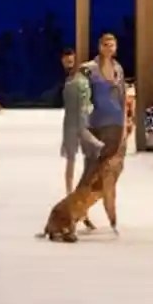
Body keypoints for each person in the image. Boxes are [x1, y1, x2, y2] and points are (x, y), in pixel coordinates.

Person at [77, 33, 128, 232]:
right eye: (105, 44)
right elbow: (80, 98)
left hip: (115, 126)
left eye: (112, 44)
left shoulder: (118, 69)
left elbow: (123, 98)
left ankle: (112, 216)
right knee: (90, 172)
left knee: (110, 173)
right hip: (95, 126)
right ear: (99, 46)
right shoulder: (89, 69)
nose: (109, 47)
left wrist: (125, 125)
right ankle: (78, 210)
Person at [59, 47, 102, 195]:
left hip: (83, 121)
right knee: (71, 159)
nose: (68, 63)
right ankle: (70, 193)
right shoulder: (70, 79)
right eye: (66, 61)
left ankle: (83, 190)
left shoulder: (82, 76)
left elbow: (89, 100)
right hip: (72, 122)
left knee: (91, 154)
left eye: (71, 60)